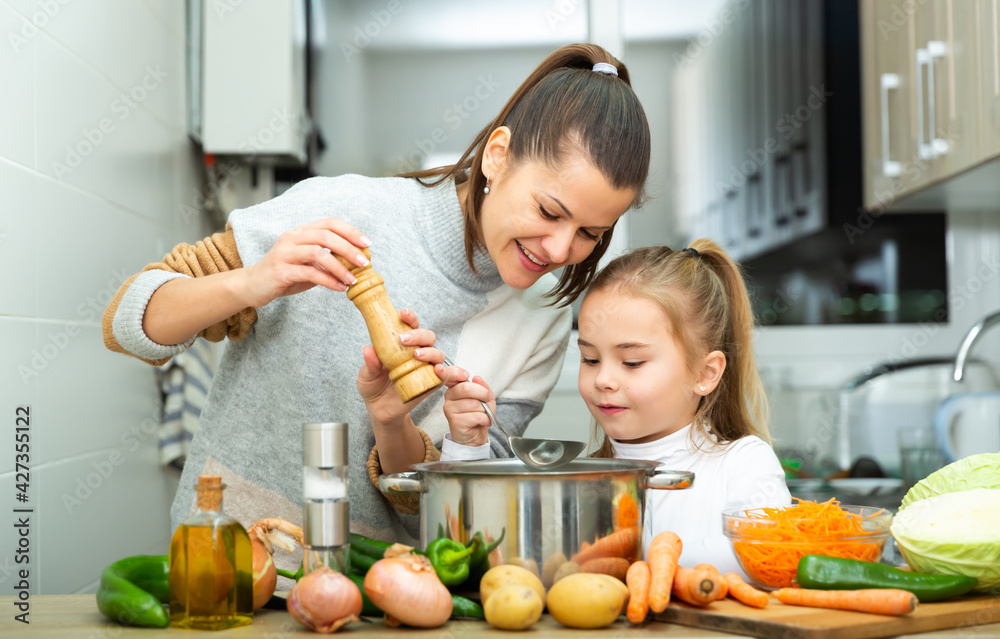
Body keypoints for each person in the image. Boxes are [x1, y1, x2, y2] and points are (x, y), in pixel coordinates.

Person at [101, 43, 651, 546]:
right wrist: (252, 280)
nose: (558, 248)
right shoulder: (343, 211)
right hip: (223, 567)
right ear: (497, 155)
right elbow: (128, 323)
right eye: (550, 211)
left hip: (379, 594)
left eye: (589, 233)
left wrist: (394, 424)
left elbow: (453, 525)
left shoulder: (543, 321)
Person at [439, 241, 790, 576]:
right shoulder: (581, 479)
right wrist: (467, 449)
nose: (603, 379)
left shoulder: (744, 463)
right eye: (590, 358)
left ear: (705, 373)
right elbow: (476, 554)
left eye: (632, 362)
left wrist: (618, 558)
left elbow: (760, 556)